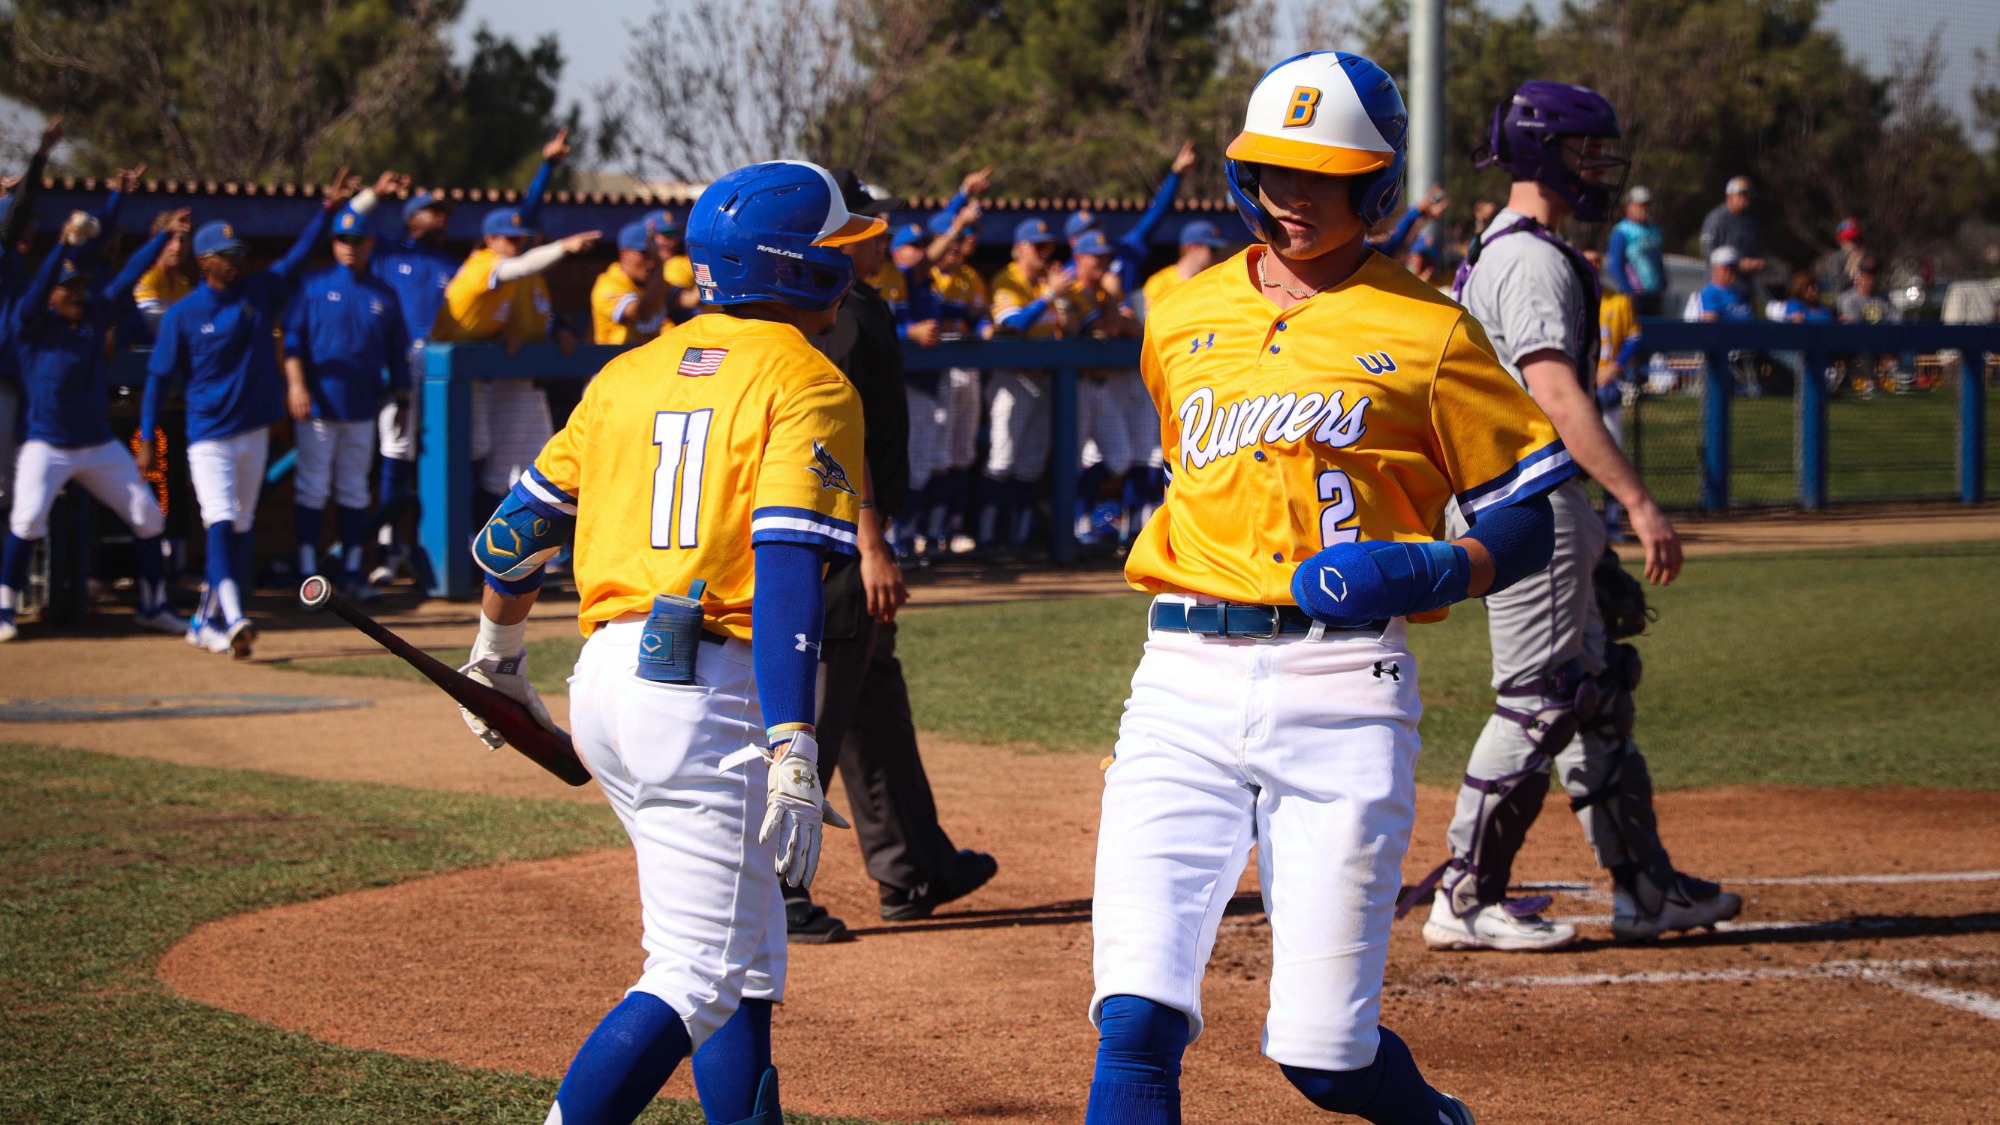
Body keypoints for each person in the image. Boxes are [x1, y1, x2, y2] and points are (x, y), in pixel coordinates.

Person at [1085, 50, 1575, 1125]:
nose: (1294, 197)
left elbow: (1525, 516)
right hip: (1179, 679)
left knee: (1324, 1059)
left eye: (1325, 177)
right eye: (1275, 171)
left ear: (1375, 184)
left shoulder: (1431, 330)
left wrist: (1437, 564)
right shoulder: (1178, 316)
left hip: (1342, 687)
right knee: (1134, 1018)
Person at [458, 158, 877, 1125]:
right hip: (708, 693)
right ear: (801, 268)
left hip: (609, 680)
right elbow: (785, 569)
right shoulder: (811, 379)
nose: (853, 268)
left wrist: (497, 654)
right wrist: (795, 738)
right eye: (840, 251)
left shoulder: (627, 372)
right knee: (695, 972)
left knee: (742, 955)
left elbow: (513, 537)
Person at [1411, 79, 1739, 953]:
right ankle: (1465, 895)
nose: (1599, 167)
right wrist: (1637, 500)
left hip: (1537, 496)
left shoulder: (1516, 248)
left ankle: (1646, 889)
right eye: (1586, 151)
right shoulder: (1528, 259)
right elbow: (1554, 391)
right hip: (1529, 495)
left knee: (1596, 695)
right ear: (1543, 152)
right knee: (1541, 697)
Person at [781, 167, 998, 943]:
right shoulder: (836, 310)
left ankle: (914, 865)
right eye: (869, 224)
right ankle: (777, 883)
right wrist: (871, 543)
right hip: (832, 535)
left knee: (872, 697)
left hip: (846, 529)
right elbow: (834, 439)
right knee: (814, 710)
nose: (884, 234)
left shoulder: (851, 302)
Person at [142, 168, 369, 658]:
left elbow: (295, 258)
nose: (235, 261)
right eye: (226, 255)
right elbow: (157, 378)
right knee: (221, 523)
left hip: (251, 432)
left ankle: (203, 620)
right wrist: (145, 436)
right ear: (205, 261)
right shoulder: (182, 314)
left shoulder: (258, 291)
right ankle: (236, 617)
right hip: (207, 434)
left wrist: (326, 210)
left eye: (238, 253)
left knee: (238, 527)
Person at [1, 198, 187, 643]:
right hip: (46, 443)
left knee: (148, 516)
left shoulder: (94, 314)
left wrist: (162, 238)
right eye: (68, 288)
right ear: (51, 293)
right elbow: (36, 290)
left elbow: (128, 277)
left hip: (96, 442)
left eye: (80, 286)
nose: (77, 294)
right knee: (27, 521)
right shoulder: (31, 325)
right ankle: (4, 607)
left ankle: (154, 604)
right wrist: (63, 247)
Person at [433, 129, 600, 522]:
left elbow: (529, 300)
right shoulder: (485, 265)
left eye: (520, 239)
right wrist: (563, 247)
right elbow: (518, 264)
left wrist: (553, 329)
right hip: (441, 374)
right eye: (508, 238)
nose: (517, 243)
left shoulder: (519, 276)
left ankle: (487, 536)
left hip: (485, 373)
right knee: (459, 460)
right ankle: (463, 536)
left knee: (503, 458)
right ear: (490, 239)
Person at [282, 200, 412, 602]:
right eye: (343, 239)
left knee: (354, 491)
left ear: (370, 243)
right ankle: (307, 573)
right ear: (333, 243)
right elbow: (292, 341)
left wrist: (402, 398)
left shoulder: (383, 294)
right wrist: (296, 386)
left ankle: (354, 571)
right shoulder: (313, 285)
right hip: (317, 408)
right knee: (312, 489)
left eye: (357, 239)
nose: (350, 246)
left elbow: (398, 352)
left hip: (362, 407)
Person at [368, 185, 458, 587]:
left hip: (443, 377)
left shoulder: (453, 264)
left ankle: (432, 550)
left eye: (444, 211)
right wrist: (375, 194)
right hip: (398, 374)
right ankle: (388, 548)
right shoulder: (388, 253)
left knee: (442, 462)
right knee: (395, 458)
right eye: (431, 210)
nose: (441, 217)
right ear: (411, 218)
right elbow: (350, 226)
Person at [980, 218, 1072, 550]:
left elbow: (1067, 328)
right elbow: (1014, 324)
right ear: (1020, 248)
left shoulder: (1050, 281)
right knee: (1002, 459)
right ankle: (987, 537)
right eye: (1038, 246)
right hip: (1011, 378)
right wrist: (1050, 295)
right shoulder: (1008, 279)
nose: (1045, 252)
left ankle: (1018, 537)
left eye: (1049, 246)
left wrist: (1059, 299)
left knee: (1031, 464)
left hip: (1045, 379)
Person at [0, 118, 67, 533]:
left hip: (18, 384)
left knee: (19, 494)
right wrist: (40, 156)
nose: (27, 232)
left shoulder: (17, 272)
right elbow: (18, 210)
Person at [922, 194, 992, 553]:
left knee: (963, 452)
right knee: (936, 455)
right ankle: (926, 530)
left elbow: (980, 317)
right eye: (950, 239)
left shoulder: (970, 276)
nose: (957, 245)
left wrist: (984, 326)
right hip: (935, 372)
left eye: (962, 238)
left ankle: (951, 528)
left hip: (967, 368)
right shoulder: (926, 275)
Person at [1066, 229, 1142, 544]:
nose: (1103, 263)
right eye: (1096, 258)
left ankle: (1080, 518)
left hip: (1101, 385)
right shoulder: (1073, 290)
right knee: (1068, 460)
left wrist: (1112, 301)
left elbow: (1134, 329)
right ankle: (1073, 522)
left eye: (1106, 257)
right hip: (1073, 386)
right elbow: (1111, 327)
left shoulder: (1104, 292)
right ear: (1080, 258)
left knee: (1120, 457)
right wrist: (1112, 301)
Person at [591, 220, 670, 345]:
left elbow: (687, 300)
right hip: (615, 356)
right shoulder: (608, 285)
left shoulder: (653, 282)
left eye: (654, 253)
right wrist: (660, 268)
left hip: (648, 356)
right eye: (645, 253)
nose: (652, 261)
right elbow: (642, 313)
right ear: (624, 255)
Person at [132, 207, 194, 337]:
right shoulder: (144, 279)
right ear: (156, 241)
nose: (177, 247)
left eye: (182, 240)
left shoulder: (182, 283)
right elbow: (155, 324)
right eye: (170, 239)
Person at [1605, 185, 1665, 315]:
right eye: (1640, 205)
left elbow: (1658, 260)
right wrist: (1628, 290)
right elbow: (1614, 264)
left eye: (1648, 205)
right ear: (1629, 207)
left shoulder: (1655, 230)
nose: (1645, 209)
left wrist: (1663, 283)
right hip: (1634, 295)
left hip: (1655, 294)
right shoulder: (1622, 231)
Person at [1699, 176, 1764, 280]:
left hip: (1745, 282)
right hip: (1721, 282)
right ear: (1730, 196)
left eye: (1750, 195)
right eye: (1742, 195)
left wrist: (1755, 262)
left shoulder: (1750, 220)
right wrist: (1735, 264)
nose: (1746, 199)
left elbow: (1755, 246)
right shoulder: (1717, 219)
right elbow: (1707, 250)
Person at [644, 208, 702, 323]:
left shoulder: (676, 263)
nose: (672, 241)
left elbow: (689, 300)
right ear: (650, 238)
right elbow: (690, 301)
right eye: (667, 234)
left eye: (675, 234)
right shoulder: (628, 276)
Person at [1694, 247, 1756, 322]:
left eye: (1734, 268)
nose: (1731, 272)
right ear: (1715, 269)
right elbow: (1710, 323)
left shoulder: (1741, 293)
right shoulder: (1709, 294)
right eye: (1726, 268)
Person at [1837, 257, 1898, 325]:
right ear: (1858, 278)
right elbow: (1855, 322)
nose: (1869, 282)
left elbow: (1896, 319)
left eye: (1871, 278)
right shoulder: (1848, 299)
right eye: (1865, 278)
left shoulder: (1883, 298)